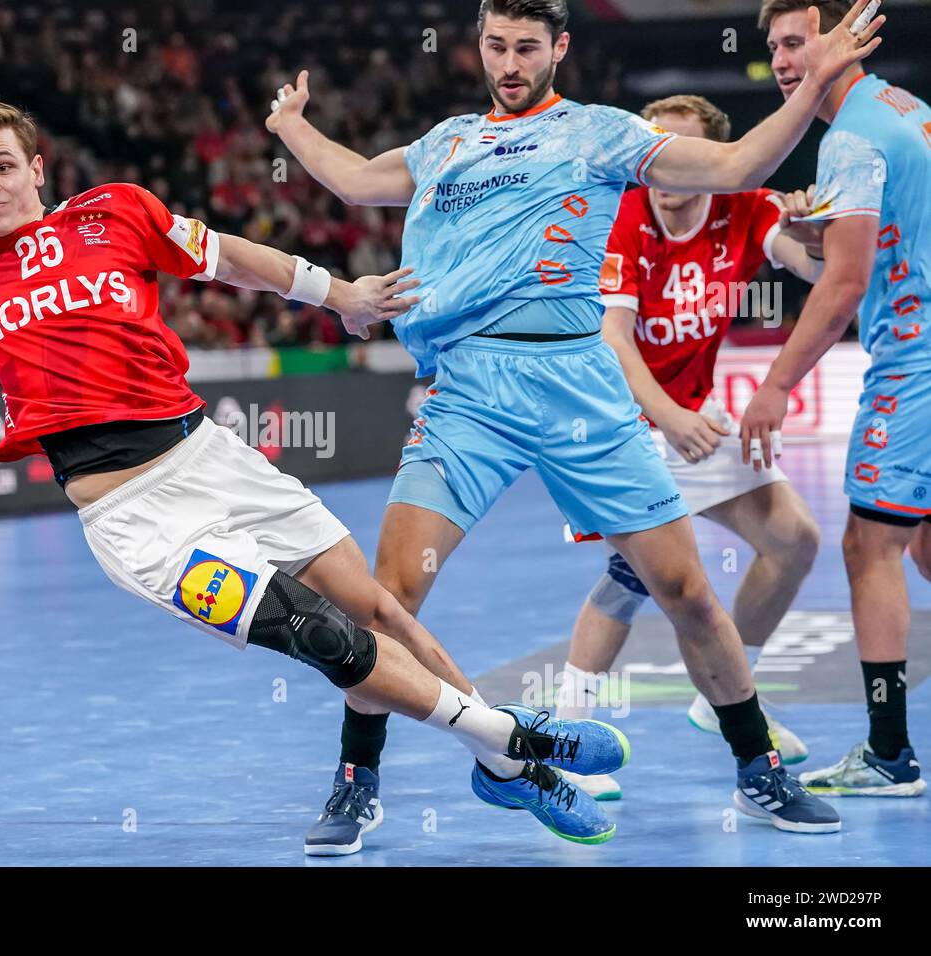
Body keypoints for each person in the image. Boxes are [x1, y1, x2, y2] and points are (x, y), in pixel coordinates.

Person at [0, 99, 633, 847]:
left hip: (211, 459)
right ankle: (508, 737)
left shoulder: (115, 210)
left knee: (378, 612)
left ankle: (500, 767)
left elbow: (230, 257)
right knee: (318, 635)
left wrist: (342, 294)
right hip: (138, 521)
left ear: (35, 167)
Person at [266, 0, 881, 851]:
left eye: (526, 47)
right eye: (494, 46)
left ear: (558, 48)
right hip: (468, 392)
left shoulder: (601, 133)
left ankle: (757, 768)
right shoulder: (447, 142)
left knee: (687, 591)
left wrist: (813, 83)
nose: (509, 63)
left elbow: (740, 162)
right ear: (478, 47)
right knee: (391, 596)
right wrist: (292, 127)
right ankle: (354, 781)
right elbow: (357, 180)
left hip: (578, 387)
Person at [553, 94, 828, 800]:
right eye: (654, 149)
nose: (666, 166)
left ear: (716, 160)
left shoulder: (745, 207)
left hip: (688, 416)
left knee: (794, 539)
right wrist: (669, 416)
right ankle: (563, 737)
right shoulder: (622, 215)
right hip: (611, 417)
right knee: (635, 575)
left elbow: (813, 268)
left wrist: (819, 231)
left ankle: (720, 695)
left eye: (683, 151)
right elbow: (613, 341)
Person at [741, 0, 927, 798]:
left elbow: (848, 281)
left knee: (870, 546)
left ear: (839, 36)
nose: (785, 60)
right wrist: (820, 229)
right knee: (921, 544)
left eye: (798, 41)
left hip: (915, 361)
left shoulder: (850, 136)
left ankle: (889, 754)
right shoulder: (903, 107)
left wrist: (776, 385)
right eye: (776, 46)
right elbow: (882, 237)